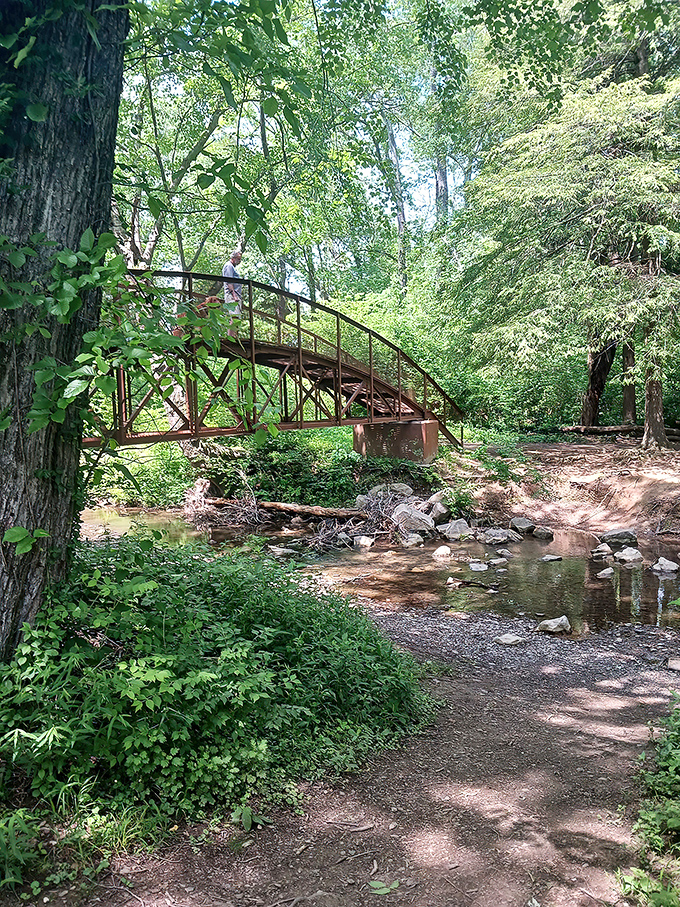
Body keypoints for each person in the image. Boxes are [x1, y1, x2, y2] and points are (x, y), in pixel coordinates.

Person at [222, 249, 243, 315]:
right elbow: (229, 281)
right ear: (233, 258)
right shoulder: (229, 266)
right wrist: (234, 296)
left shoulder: (232, 267)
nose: (239, 261)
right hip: (232, 296)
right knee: (234, 315)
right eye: (238, 259)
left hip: (235, 296)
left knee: (236, 316)